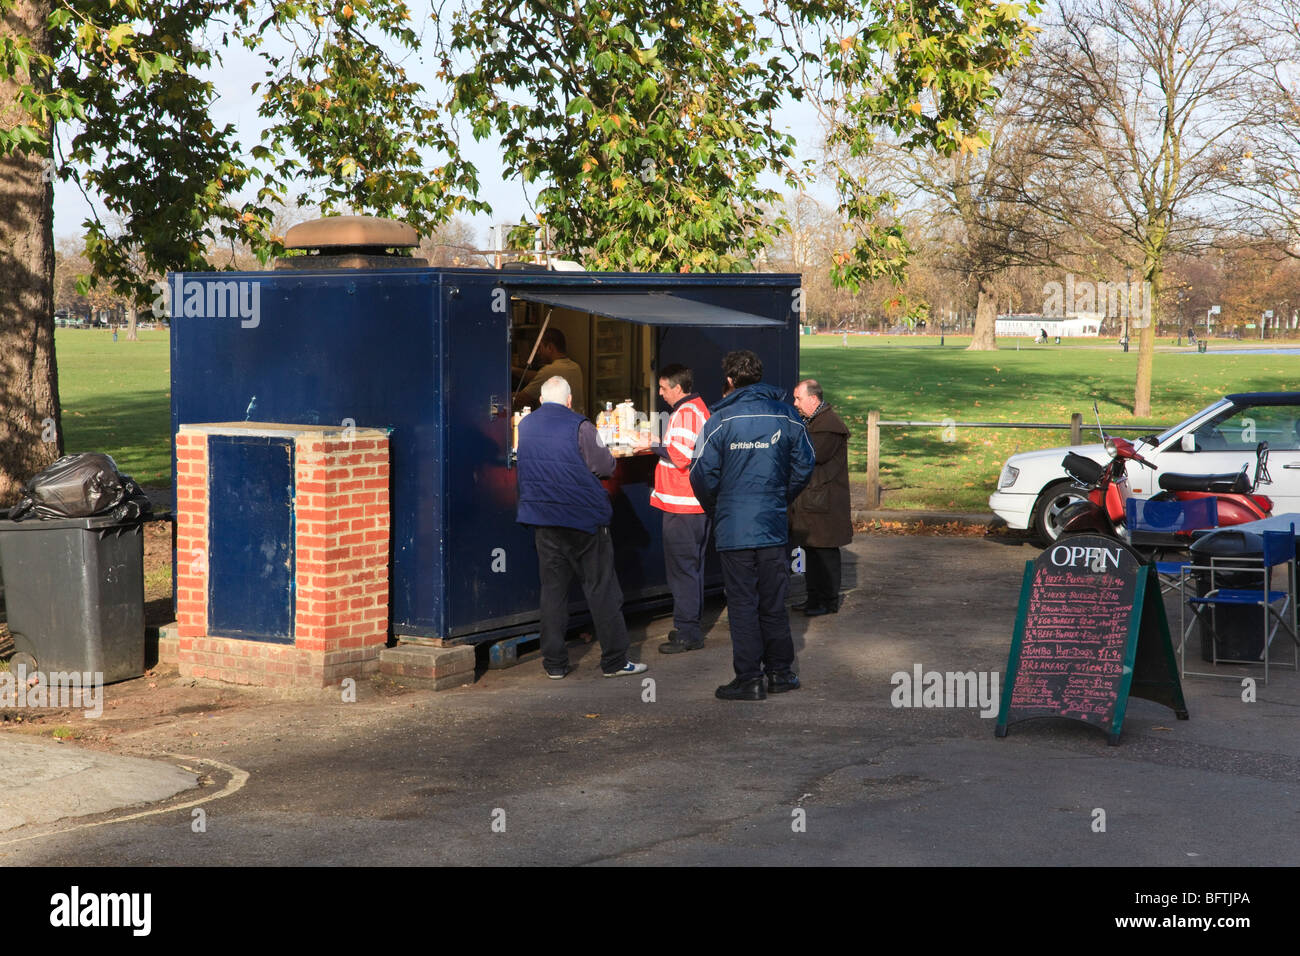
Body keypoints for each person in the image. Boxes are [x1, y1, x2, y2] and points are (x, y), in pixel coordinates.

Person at [689, 350, 814, 701]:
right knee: (773, 601)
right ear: (758, 376)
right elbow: (805, 464)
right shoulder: (787, 416)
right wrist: (779, 497)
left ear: (730, 380)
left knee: (743, 604)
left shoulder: (719, 420)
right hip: (771, 524)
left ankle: (749, 678)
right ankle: (780, 672)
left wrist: (720, 507)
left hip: (735, 528)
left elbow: (700, 474)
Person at [515, 375, 646, 680]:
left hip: (544, 519)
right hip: (584, 520)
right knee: (601, 590)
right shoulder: (582, 426)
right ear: (570, 400)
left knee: (553, 592)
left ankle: (554, 664)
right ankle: (615, 661)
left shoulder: (525, 425)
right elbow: (605, 466)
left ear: (541, 400)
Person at [638, 364, 711, 654]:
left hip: (683, 505)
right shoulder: (695, 408)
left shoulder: (685, 413)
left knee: (682, 571)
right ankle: (689, 625)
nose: (660, 393)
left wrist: (650, 445)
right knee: (692, 568)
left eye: (663, 388)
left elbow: (680, 456)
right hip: (693, 505)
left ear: (678, 388)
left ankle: (688, 632)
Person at [789, 379, 853, 616]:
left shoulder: (828, 426)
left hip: (823, 502)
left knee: (824, 552)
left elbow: (810, 455)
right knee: (811, 552)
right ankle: (814, 598)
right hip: (813, 500)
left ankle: (827, 601)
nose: (795, 403)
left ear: (813, 399)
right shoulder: (815, 422)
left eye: (798, 398)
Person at [514, 328, 585, 416]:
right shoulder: (575, 367)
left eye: (540, 347)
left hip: (557, 423)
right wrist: (514, 370)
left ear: (550, 348)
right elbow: (538, 377)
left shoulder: (548, 371)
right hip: (576, 421)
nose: (538, 352)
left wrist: (502, 394)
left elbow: (520, 399)